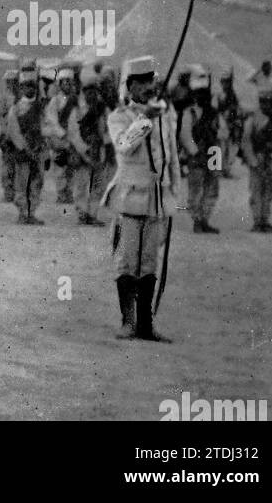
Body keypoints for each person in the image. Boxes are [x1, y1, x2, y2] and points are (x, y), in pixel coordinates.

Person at [104, 55, 179, 342]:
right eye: (142, 82)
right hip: (129, 196)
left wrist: (175, 194)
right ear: (130, 86)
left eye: (152, 81)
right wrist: (146, 119)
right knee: (126, 260)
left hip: (157, 197)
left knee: (149, 261)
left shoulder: (164, 115)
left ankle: (145, 326)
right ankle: (128, 322)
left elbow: (171, 157)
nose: (149, 87)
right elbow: (124, 146)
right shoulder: (119, 117)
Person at [178, 65, 226, 234]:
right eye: (199, 94)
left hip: (213, 153)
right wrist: (195, 152)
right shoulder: (189, 112)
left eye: (204, 93)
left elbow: (223, 132)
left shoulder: (214, 113)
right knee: (196, 190)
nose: (202, 97)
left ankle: (205, 219)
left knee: (212, 188)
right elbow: (185, 135)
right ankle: (197, 220)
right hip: (197, 155)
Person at [242, 83, 272, 233]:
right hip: (257, 159)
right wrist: (252, 160)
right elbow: (246, 141)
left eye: (268, 101)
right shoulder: (253, 119)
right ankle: (257, 221)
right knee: (257, 190)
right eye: (263, 101)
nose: (265, 104)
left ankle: (265, 220)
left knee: (269, 191)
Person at [67, 64, 111, 226]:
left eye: (94, 91)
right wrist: (85, 150)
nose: (91, 94)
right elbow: (73, 133)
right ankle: (82, 213)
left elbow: (108, 130)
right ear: (84, 92)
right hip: (82, 153)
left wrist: (101, 144)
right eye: (88, 91)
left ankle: (92, 214)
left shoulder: (102, 109)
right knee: (81, 185)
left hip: (99, 152)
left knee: (98, 185)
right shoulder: (77, 110)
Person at [6, 60, 45, 224]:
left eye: (32, 86)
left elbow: (46, 127)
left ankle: (32, 212)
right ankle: (23, 212)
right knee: (22, 183)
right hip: (23, 152)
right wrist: (25, 148)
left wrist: (41, 147)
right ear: (20, 88)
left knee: (36, 182)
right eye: (26, 86)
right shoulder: (15, 109)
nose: (29, 89)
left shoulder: (41, 108)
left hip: (38, 151)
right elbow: (13, 131)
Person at [43, 65, 80, 205]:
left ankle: (69, 192)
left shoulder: (76, 100)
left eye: (70, 82)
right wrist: (61, 133)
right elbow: (51, 118)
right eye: (65, 82)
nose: (68, 85)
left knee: (71, 166)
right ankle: (61, 192)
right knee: (60, 167)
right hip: (60, 138)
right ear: (60, 84)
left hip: (74, 137)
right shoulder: (55, 100)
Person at [0, 68, 20, 203]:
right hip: (7, 134)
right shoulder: (3, 97)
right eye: (9, 82)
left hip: (19, 134)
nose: (11, 84)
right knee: (7, 165)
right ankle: (8, 190)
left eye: (14, 82)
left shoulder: (21, 97)